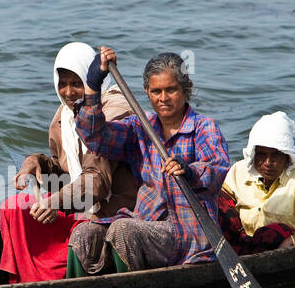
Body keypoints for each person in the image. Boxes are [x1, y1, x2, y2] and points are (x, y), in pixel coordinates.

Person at [67, 48, 231, 274]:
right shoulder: (140, 127)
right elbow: (95, 137)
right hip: (146, 222)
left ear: (186, 89)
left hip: (189, 236)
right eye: (156, 91)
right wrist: (93, 85)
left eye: (171, 90)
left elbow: (217, 169)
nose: (163, 98)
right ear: (147, 92)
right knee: (83, 235)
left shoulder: (204, 127)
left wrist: (189, 170)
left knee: (123, 230)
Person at [0, 42, 141, 283]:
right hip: (83, 207)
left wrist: (56, 202)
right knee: (13, 208)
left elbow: (97, 181)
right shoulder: (63, 116)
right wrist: (35, 163)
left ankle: (62, 281)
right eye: (63, 84)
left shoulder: (114, 109)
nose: (68, 92)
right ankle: (28, 282)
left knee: (80, 229)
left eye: (77, 84)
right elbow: (64, 171)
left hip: (118, 212)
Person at [218, 111, 295, 253]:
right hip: (242, 243)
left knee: (273, 234)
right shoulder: (238, 171)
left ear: (286, 156)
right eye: (262, 154)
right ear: (254, 154)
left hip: (281, 245)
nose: (268, 163)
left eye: (275, 155)